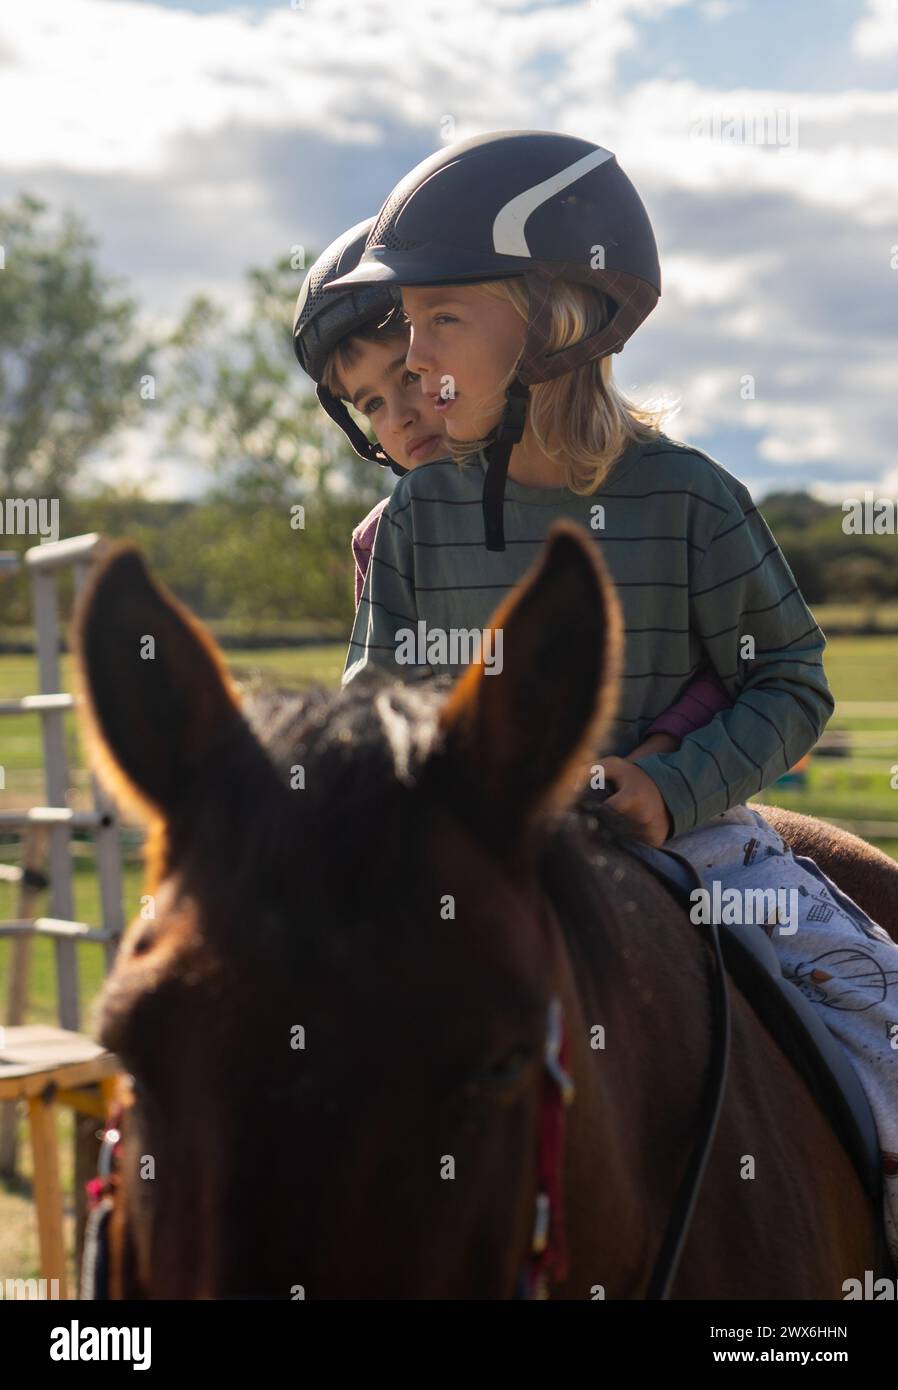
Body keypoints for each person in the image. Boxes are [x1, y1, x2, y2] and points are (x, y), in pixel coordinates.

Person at [327, 129, 898, 1266]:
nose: (414, 350)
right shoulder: (415, 524)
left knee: (886, 1039)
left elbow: (788, 682)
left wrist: (667, 785)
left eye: (442, 318)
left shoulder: (689, 498)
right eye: (408, 322)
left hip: (709, 850)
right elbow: (374, 705)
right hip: (485, 852)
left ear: (555, 322)